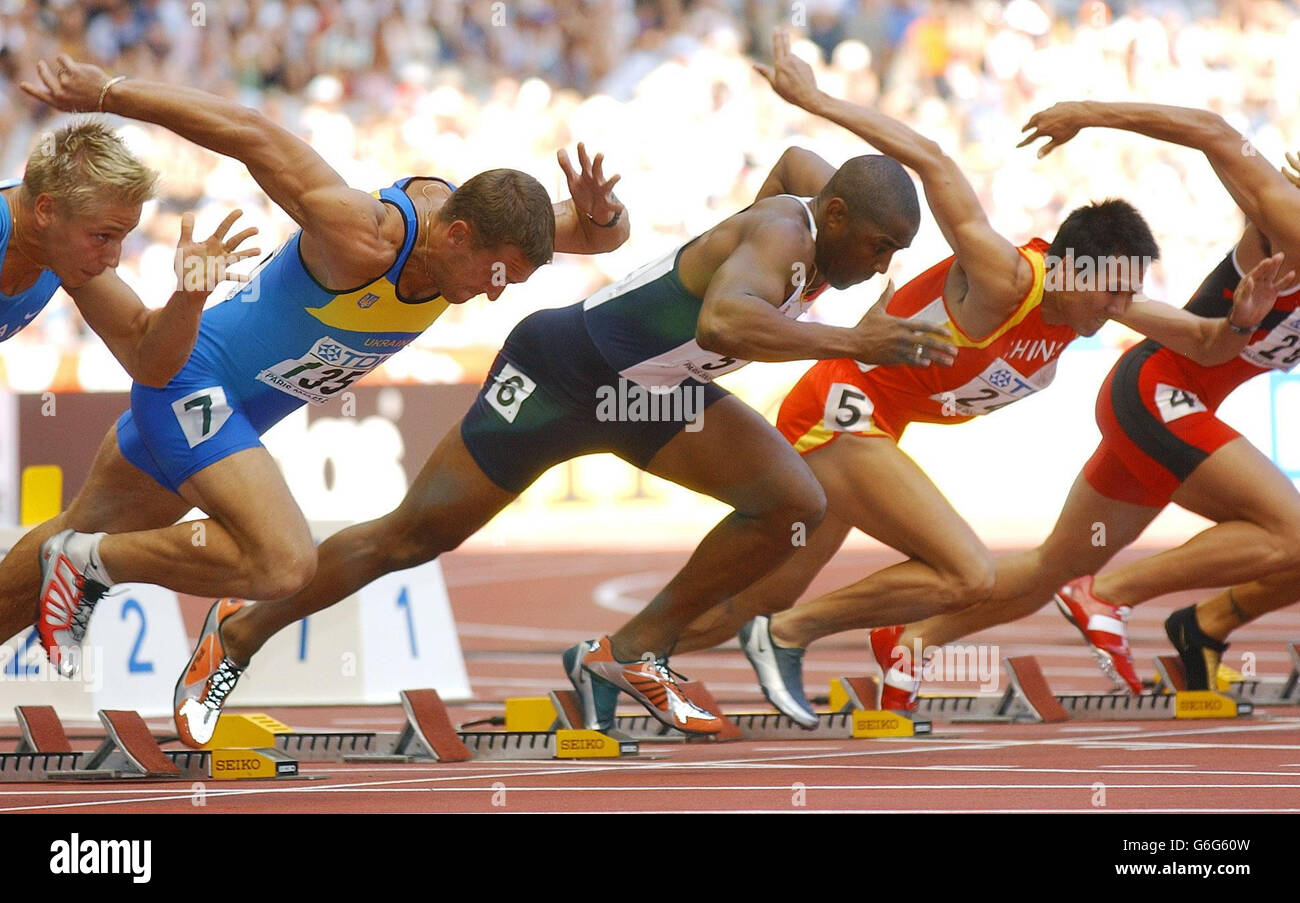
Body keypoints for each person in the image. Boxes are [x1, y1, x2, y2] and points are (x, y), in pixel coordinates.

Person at [167, 50, 966, 748]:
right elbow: (728, 315)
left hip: (648, 397)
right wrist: (854, 336)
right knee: (412, 537)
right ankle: (238, 635)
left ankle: (626, 651)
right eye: (879, 246)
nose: (885, 262)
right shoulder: (788, 238)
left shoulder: (819, 222)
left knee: (792, 499)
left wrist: (748, 217)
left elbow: (795, 160)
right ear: (833, 218)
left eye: (896, 250)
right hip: (562, 371)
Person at [666, 37, 1292, 725]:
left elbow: (1205, 345)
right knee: (967, 571)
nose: (1122, 311)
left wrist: (1241, 320)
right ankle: (785, 638)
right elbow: (932, 159)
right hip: (841, 411)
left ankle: (621, 653)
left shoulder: (1094, 300)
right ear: (1074, 269)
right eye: (1114, 293)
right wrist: (816, 100)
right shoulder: (1004, 276)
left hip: (874, 426)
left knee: (758, 593)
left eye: (1128, 297)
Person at [6, 54, 627, 685]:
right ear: (458, 234)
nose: (495, 294)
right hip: (193, 385)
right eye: (495, 277)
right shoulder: (362, 234)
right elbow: (248, 131)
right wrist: (111, 92)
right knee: (282, 565)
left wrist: (604, 214)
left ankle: (76, 553)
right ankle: (88, 563)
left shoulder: (495, 238)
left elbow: (603, 236)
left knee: (43, 561)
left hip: (229, 408)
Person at [873, 103, 1300, 703]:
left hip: (1173, 408)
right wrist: (1089, 114)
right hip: (1156, 390)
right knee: (1292, 532)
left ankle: (912, 638)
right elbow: (1215, 133)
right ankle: (1111, 595)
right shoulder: (1293, 224)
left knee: (1056, 565)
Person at [2, 116, 256, 383]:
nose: (113, 259)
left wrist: (189, 297)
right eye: (102, 236)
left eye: (121, 238)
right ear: (46, 210)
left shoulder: (59, 248)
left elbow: (146, 361)